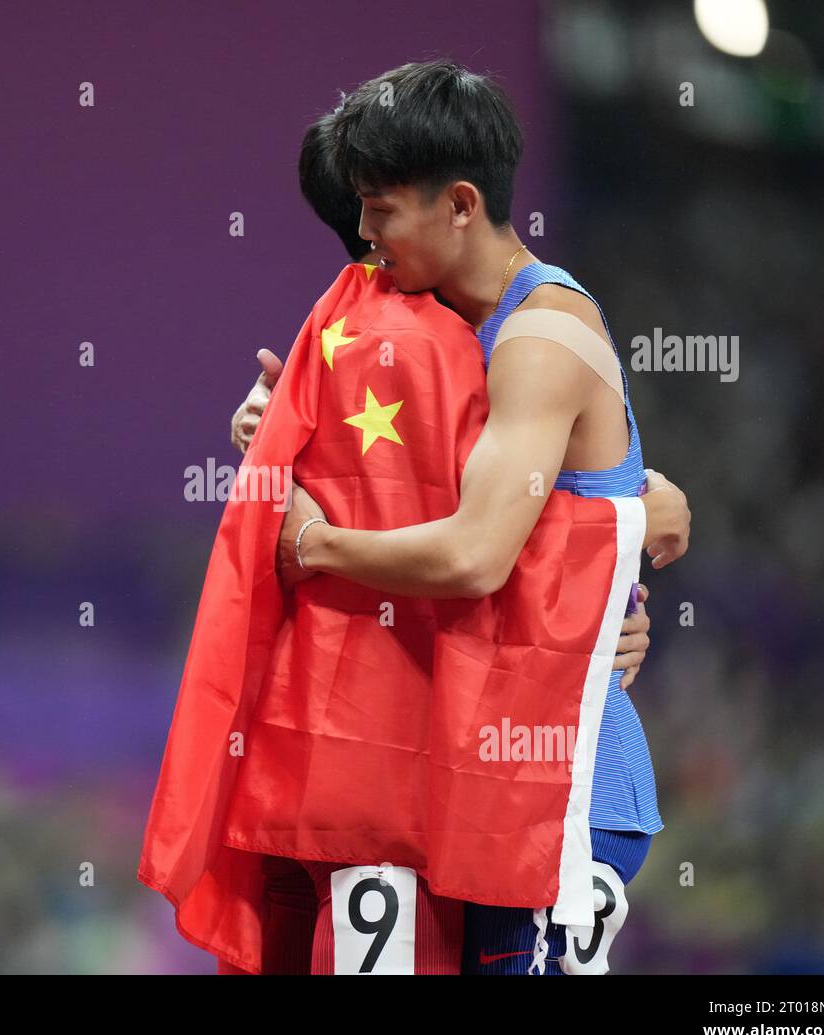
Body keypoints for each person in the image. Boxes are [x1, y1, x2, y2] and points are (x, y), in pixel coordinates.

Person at [239, 61, 688, 973]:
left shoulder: (542, 332)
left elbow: (478, 555)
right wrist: (274, 429)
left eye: (380, 208)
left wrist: (312, 541)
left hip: (564, 778)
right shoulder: (434, 328)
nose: (364, 239)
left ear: (460, 204)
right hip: (469, 770)